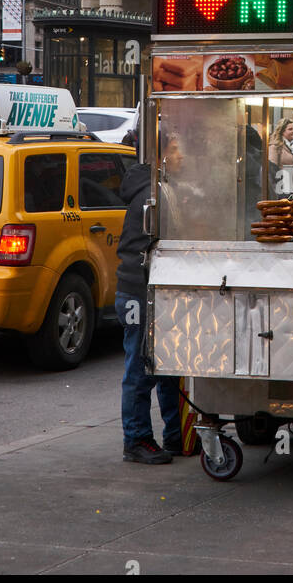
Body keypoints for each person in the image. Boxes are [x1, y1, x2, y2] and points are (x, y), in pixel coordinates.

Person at [115, 146, 184, 465]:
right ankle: (137, 439)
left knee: (169, 365)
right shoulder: (154, 192)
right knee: (141, 367)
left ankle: (176, 434)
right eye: (179, 150)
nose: (185, 157)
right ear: (164, 155)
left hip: (157, 287)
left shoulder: (161, 187)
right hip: (139, 290)